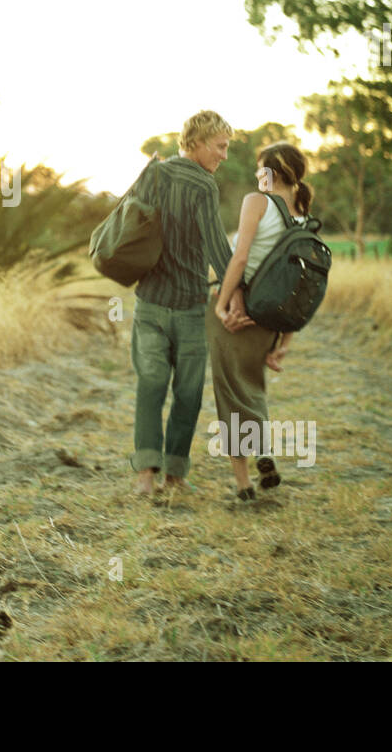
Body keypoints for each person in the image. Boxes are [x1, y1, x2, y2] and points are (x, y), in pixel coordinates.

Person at [125, 110, 253, 496]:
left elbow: (128, 225)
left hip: (148, 303)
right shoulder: (203, 185)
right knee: (187, 391)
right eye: (220, 147)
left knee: (150, 384)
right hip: (189, 308)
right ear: (197, 143)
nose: (224, 156)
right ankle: (175, 476)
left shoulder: (155, 172)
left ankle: (146, 477)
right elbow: (218, 246)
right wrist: (235, 298)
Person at [207, 141, 313, 501]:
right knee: (253, 384)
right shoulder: (302, 213)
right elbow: (299, 281)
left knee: (229, 390)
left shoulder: (258, 201)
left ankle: (244, 485)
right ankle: (262, 446)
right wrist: (285, 343)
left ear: (271, 172)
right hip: (272, 316)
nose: (256, 175)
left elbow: (238, 260)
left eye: (259, 169)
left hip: (240, 307)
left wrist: (222, 305)